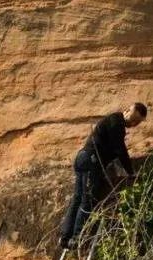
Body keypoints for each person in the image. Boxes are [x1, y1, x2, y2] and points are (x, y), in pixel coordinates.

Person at [59, 101, 147, 249]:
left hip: (83, 157)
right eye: (133, 118)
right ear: (126, 111)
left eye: (137, 122)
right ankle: (76, 237)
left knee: (77, 197)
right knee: (87, 200)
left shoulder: (113, 122)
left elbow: (113, 147)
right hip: (91, 161)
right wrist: (131, 172)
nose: (133, 123)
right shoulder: (116, 122)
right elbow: (120, 150)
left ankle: (64, 237)